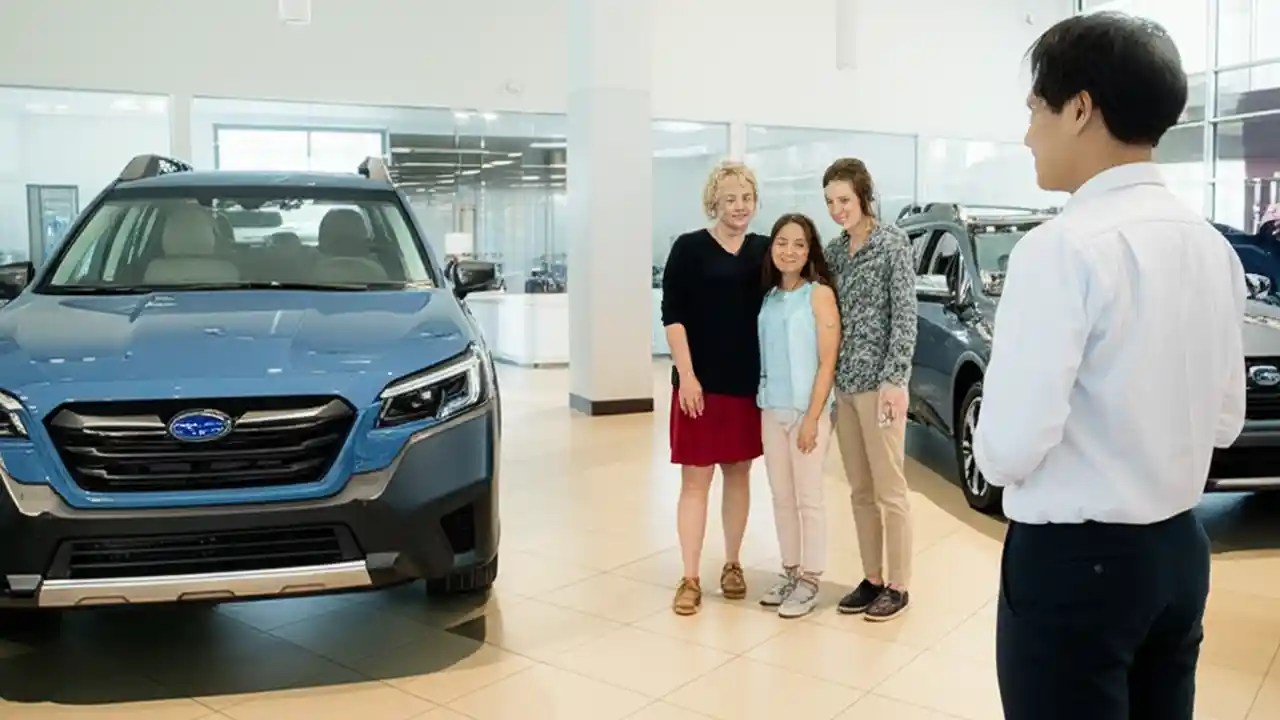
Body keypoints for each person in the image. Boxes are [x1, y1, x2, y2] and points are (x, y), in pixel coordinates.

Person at [973, 12, 1246, 720]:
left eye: (1035, 107)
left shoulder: (1061, 248)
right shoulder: (1212, 247)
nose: (1028, 130)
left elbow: (1006, 447)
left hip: (1075, 567)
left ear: (1081, 109)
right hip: (1180, 552)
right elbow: (1226, 419)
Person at [661, 161, 771, 616]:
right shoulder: (688, 249)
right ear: (715, 202)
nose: (739, 206)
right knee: (696, 480)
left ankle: (732, 563)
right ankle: (689, 577)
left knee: (739, 474)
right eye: (730, 199)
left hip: (745, 383)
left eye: (746, 198)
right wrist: (687, 375)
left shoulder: (766, 250)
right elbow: (673, 316)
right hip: (698, 387)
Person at [821, 158, 918, 622]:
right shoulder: (836, 252)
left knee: (889, 487)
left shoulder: (893, 244)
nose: (837, 210)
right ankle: (872, 577)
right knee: (859, 488)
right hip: (845, 387)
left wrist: (895, 379)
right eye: (830, 203)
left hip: (882, 388)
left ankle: (898, 584)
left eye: (844, 200)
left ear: (863, 194)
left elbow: (904, 315)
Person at [755, 213, 840, 619]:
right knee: (781, 497)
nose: (789, 251)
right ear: (772, 249)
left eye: (799, 244)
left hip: (809, 413)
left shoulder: (818, 295)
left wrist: (812, 417)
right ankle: (790, 571)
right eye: (782, 243)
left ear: (809, 252)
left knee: (809, 499)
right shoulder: (770, 298)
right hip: (772, 409)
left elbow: (827, 362)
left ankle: (810, 579)